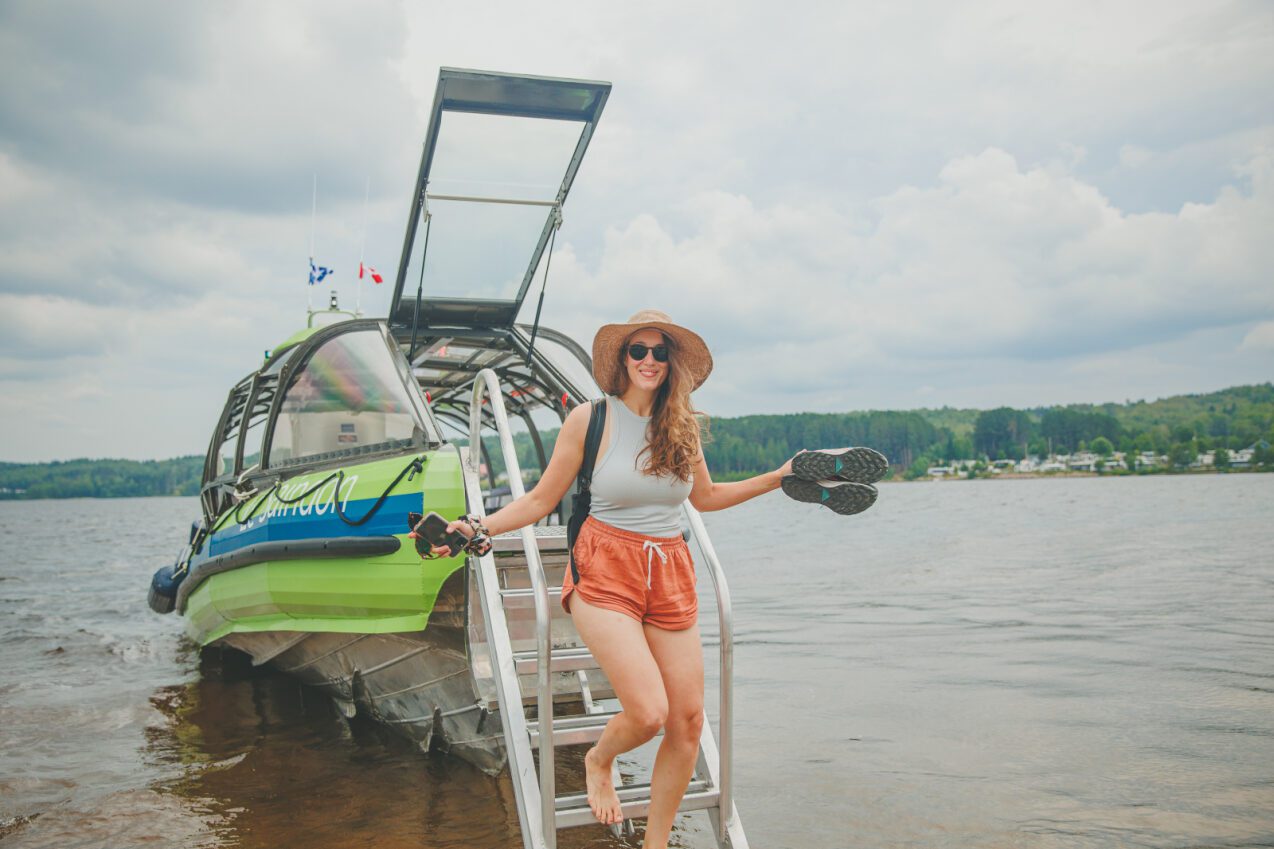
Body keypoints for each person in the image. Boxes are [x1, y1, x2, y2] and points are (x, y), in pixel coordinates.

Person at [434, 309, 792, 849]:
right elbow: (538, 499)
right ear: (622, 361)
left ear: (673, 364)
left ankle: (655, 843)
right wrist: (476, 525)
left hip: (669, 570)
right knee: (649, 713)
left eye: (660, 352)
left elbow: (707, 499)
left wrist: (780, 477)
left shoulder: (681, 426)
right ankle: (599, 758)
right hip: (605, 570)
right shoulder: (591, 419)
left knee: (688, 721)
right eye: (638, 351)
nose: (649, 360)